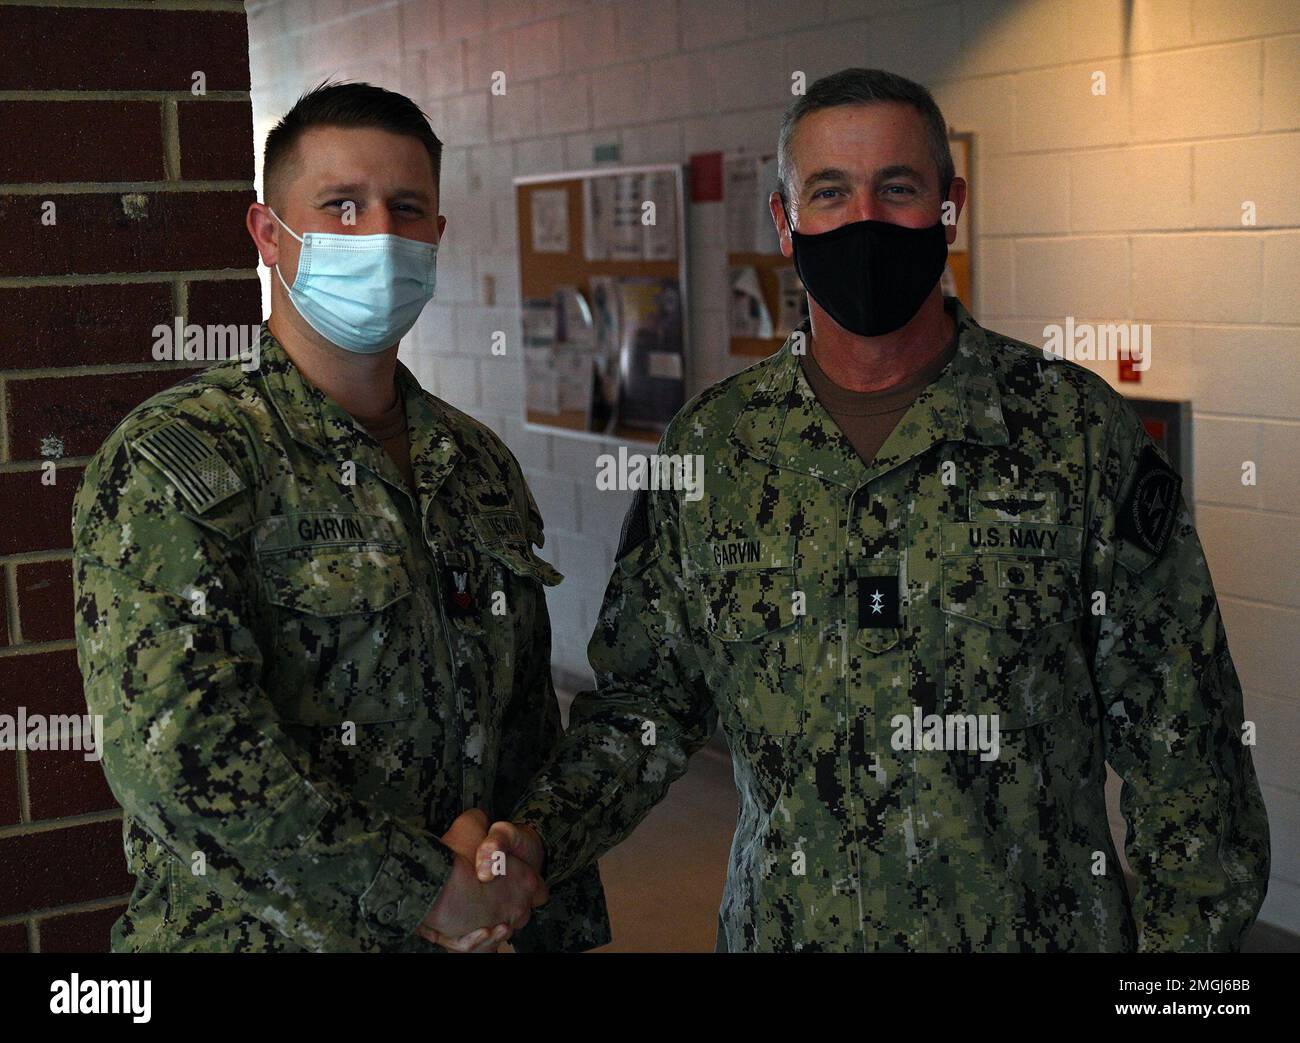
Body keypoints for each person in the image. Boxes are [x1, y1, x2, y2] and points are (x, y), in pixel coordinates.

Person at [474, 68, 1270, 952]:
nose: (865, 220)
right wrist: (537, 833)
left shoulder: (1075, 435)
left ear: (948, 207)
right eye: (830, 192)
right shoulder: (714, 449)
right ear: (784, 222)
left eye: (897, 188)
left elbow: (1187, 750)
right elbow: (645, 704)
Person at [71, 81, 609, 953]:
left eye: (406, 209)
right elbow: (180, 760)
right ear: (268, 235)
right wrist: (423, 890)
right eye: (341, 207)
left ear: (437, 236)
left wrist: (514, 868)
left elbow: (522, 731)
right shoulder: (181, 461)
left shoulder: (475, 465)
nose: (380, 236)